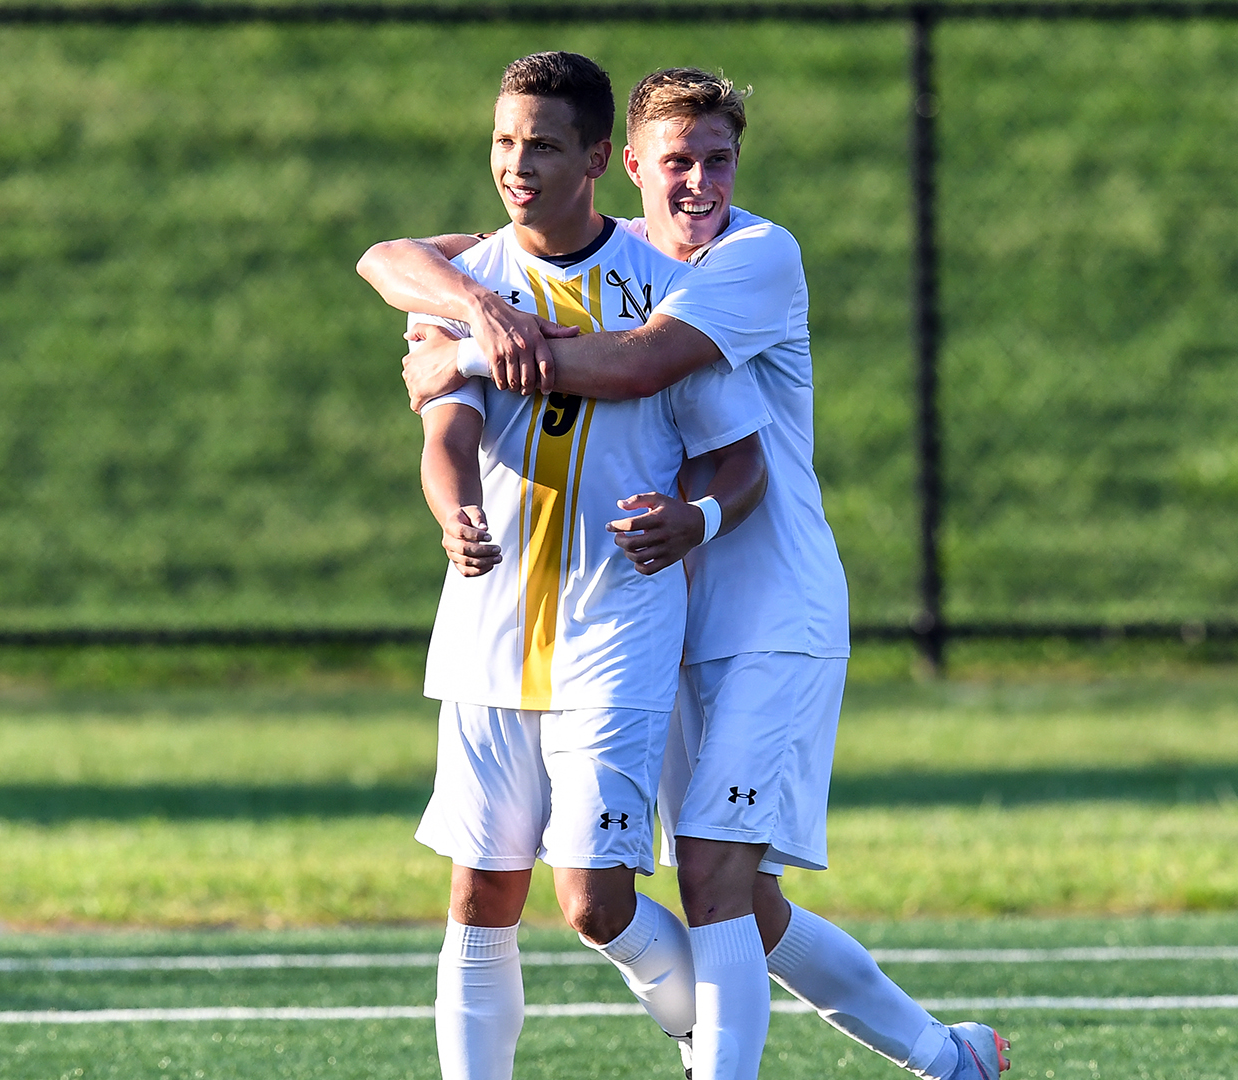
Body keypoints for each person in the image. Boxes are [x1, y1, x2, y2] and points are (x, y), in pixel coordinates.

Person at [359, 68, 1011, 1080]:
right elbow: (388, 257)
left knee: (703, 878)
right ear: (627, 169)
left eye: (720, 160)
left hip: (768, 609)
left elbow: (637, 368)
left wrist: (473, 354)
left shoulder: (749, 257)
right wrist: (473, 316)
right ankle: (944, 1053)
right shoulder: (583, 255)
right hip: (671, 617)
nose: (701, 182)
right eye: (678, 161)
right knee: (744, 903)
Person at [390, 51, 776, 1080]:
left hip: (617, 631)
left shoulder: (661, 292)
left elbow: (742, 462)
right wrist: (457, 509)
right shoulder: (467, 283)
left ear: (598, 158)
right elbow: (444, 434)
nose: (517, 164)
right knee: (482, 895)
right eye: (506, 141)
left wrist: (694, 519)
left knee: (593, 901)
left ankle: (705, 1026)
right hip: (489, 631)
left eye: (545, 145)